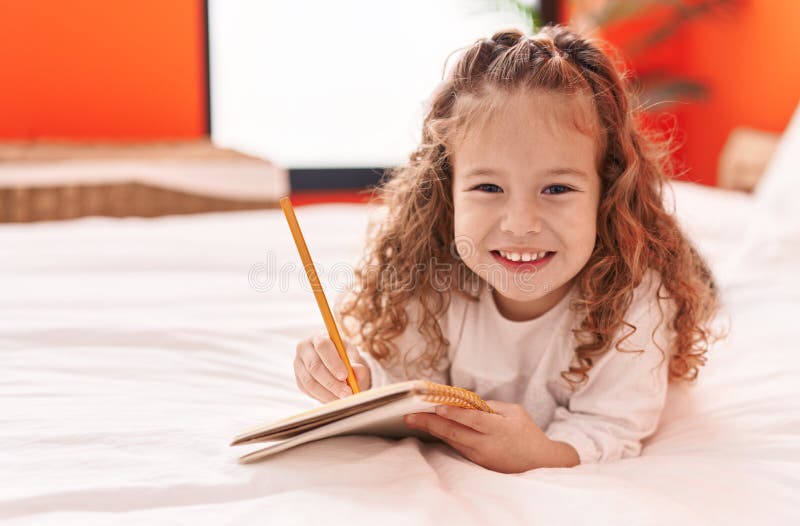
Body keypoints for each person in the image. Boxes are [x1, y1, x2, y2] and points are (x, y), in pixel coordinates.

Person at [293, 25, 723, 473]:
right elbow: (404, 380)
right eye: (488, 187)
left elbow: (611, 425)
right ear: (447, 192)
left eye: (556, 188)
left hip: (652, 268)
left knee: (697, 283)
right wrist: (357, 378)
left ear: (607, 190)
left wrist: (544, 453)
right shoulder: (431, 273)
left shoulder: (638, 299)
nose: (520, 224)